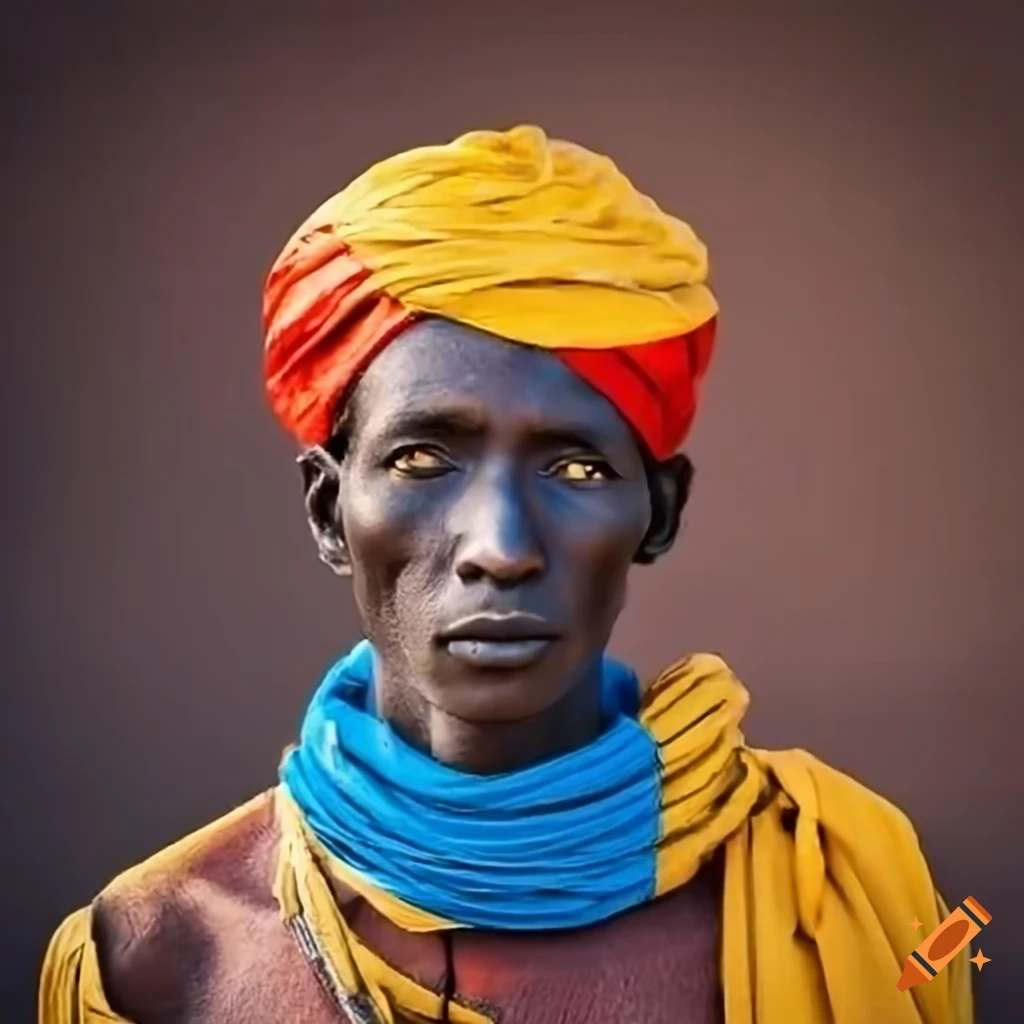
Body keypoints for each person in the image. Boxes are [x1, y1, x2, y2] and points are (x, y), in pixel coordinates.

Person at [39, 126, 973, 1024]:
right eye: (421, 460)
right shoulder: (151, 961)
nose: (500, 546)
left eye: (575, 467)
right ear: (328, 512)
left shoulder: (843, 890)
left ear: (660, 512)